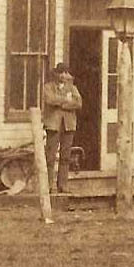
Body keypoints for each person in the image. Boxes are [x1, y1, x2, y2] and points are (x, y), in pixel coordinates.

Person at [38, 63, 82, 194]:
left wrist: (61, 103)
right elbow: (50, 100)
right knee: (50, 156)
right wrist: (66, 100)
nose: (63, 75)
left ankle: (63, 185)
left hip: (68, 126)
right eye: (61, 72)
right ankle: (49, 185)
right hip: (53, 126)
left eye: (65, 73)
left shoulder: (72, 88)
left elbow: (78, 103)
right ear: (56, 74)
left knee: (65, 156)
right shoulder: (48, 87)